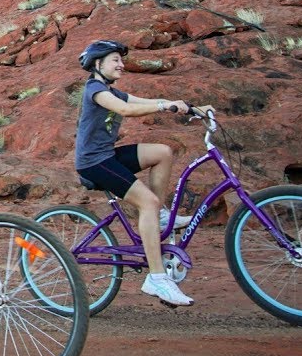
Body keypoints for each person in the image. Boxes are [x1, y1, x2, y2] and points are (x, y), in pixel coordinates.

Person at [74, 40, 213, 307]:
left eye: (120, 60)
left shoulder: (112, 91)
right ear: (97, 64)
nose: (121, 64)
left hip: (107, 156)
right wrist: (163, 106)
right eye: (115, 60)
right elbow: (127, 110)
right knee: (145, 201)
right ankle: (157, 277)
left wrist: (191, 108)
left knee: (162, 152)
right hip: (93, 162)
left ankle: (158, 217)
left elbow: (144, 101)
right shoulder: (95, 89)